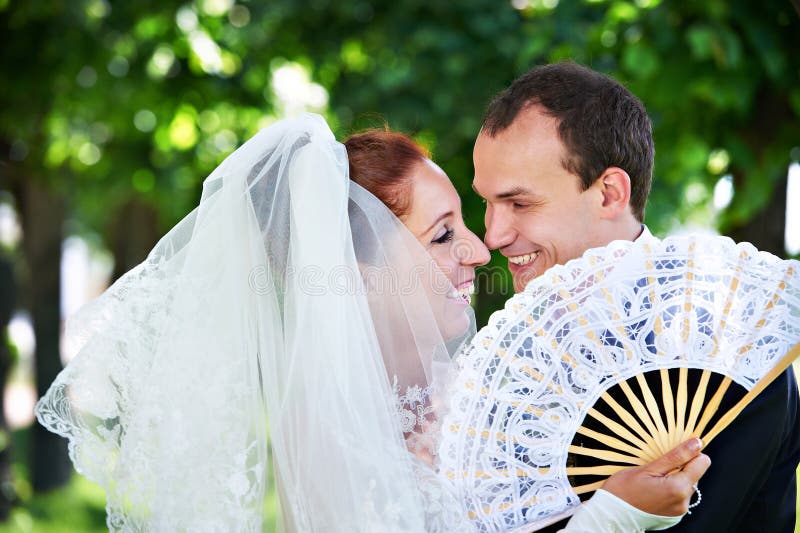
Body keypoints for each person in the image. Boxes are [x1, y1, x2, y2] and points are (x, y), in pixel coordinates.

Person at [35, 113, 704, 532]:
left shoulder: (500, 388)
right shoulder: (338, 448)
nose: (480, 249)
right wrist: (614, 517)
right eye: (443, 236)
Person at [470, 61, 800, 532]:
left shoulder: (729, 351)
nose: (494, 236)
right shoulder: (518, 362)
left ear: (609, 194)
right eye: (487, 202)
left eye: (519, 203)